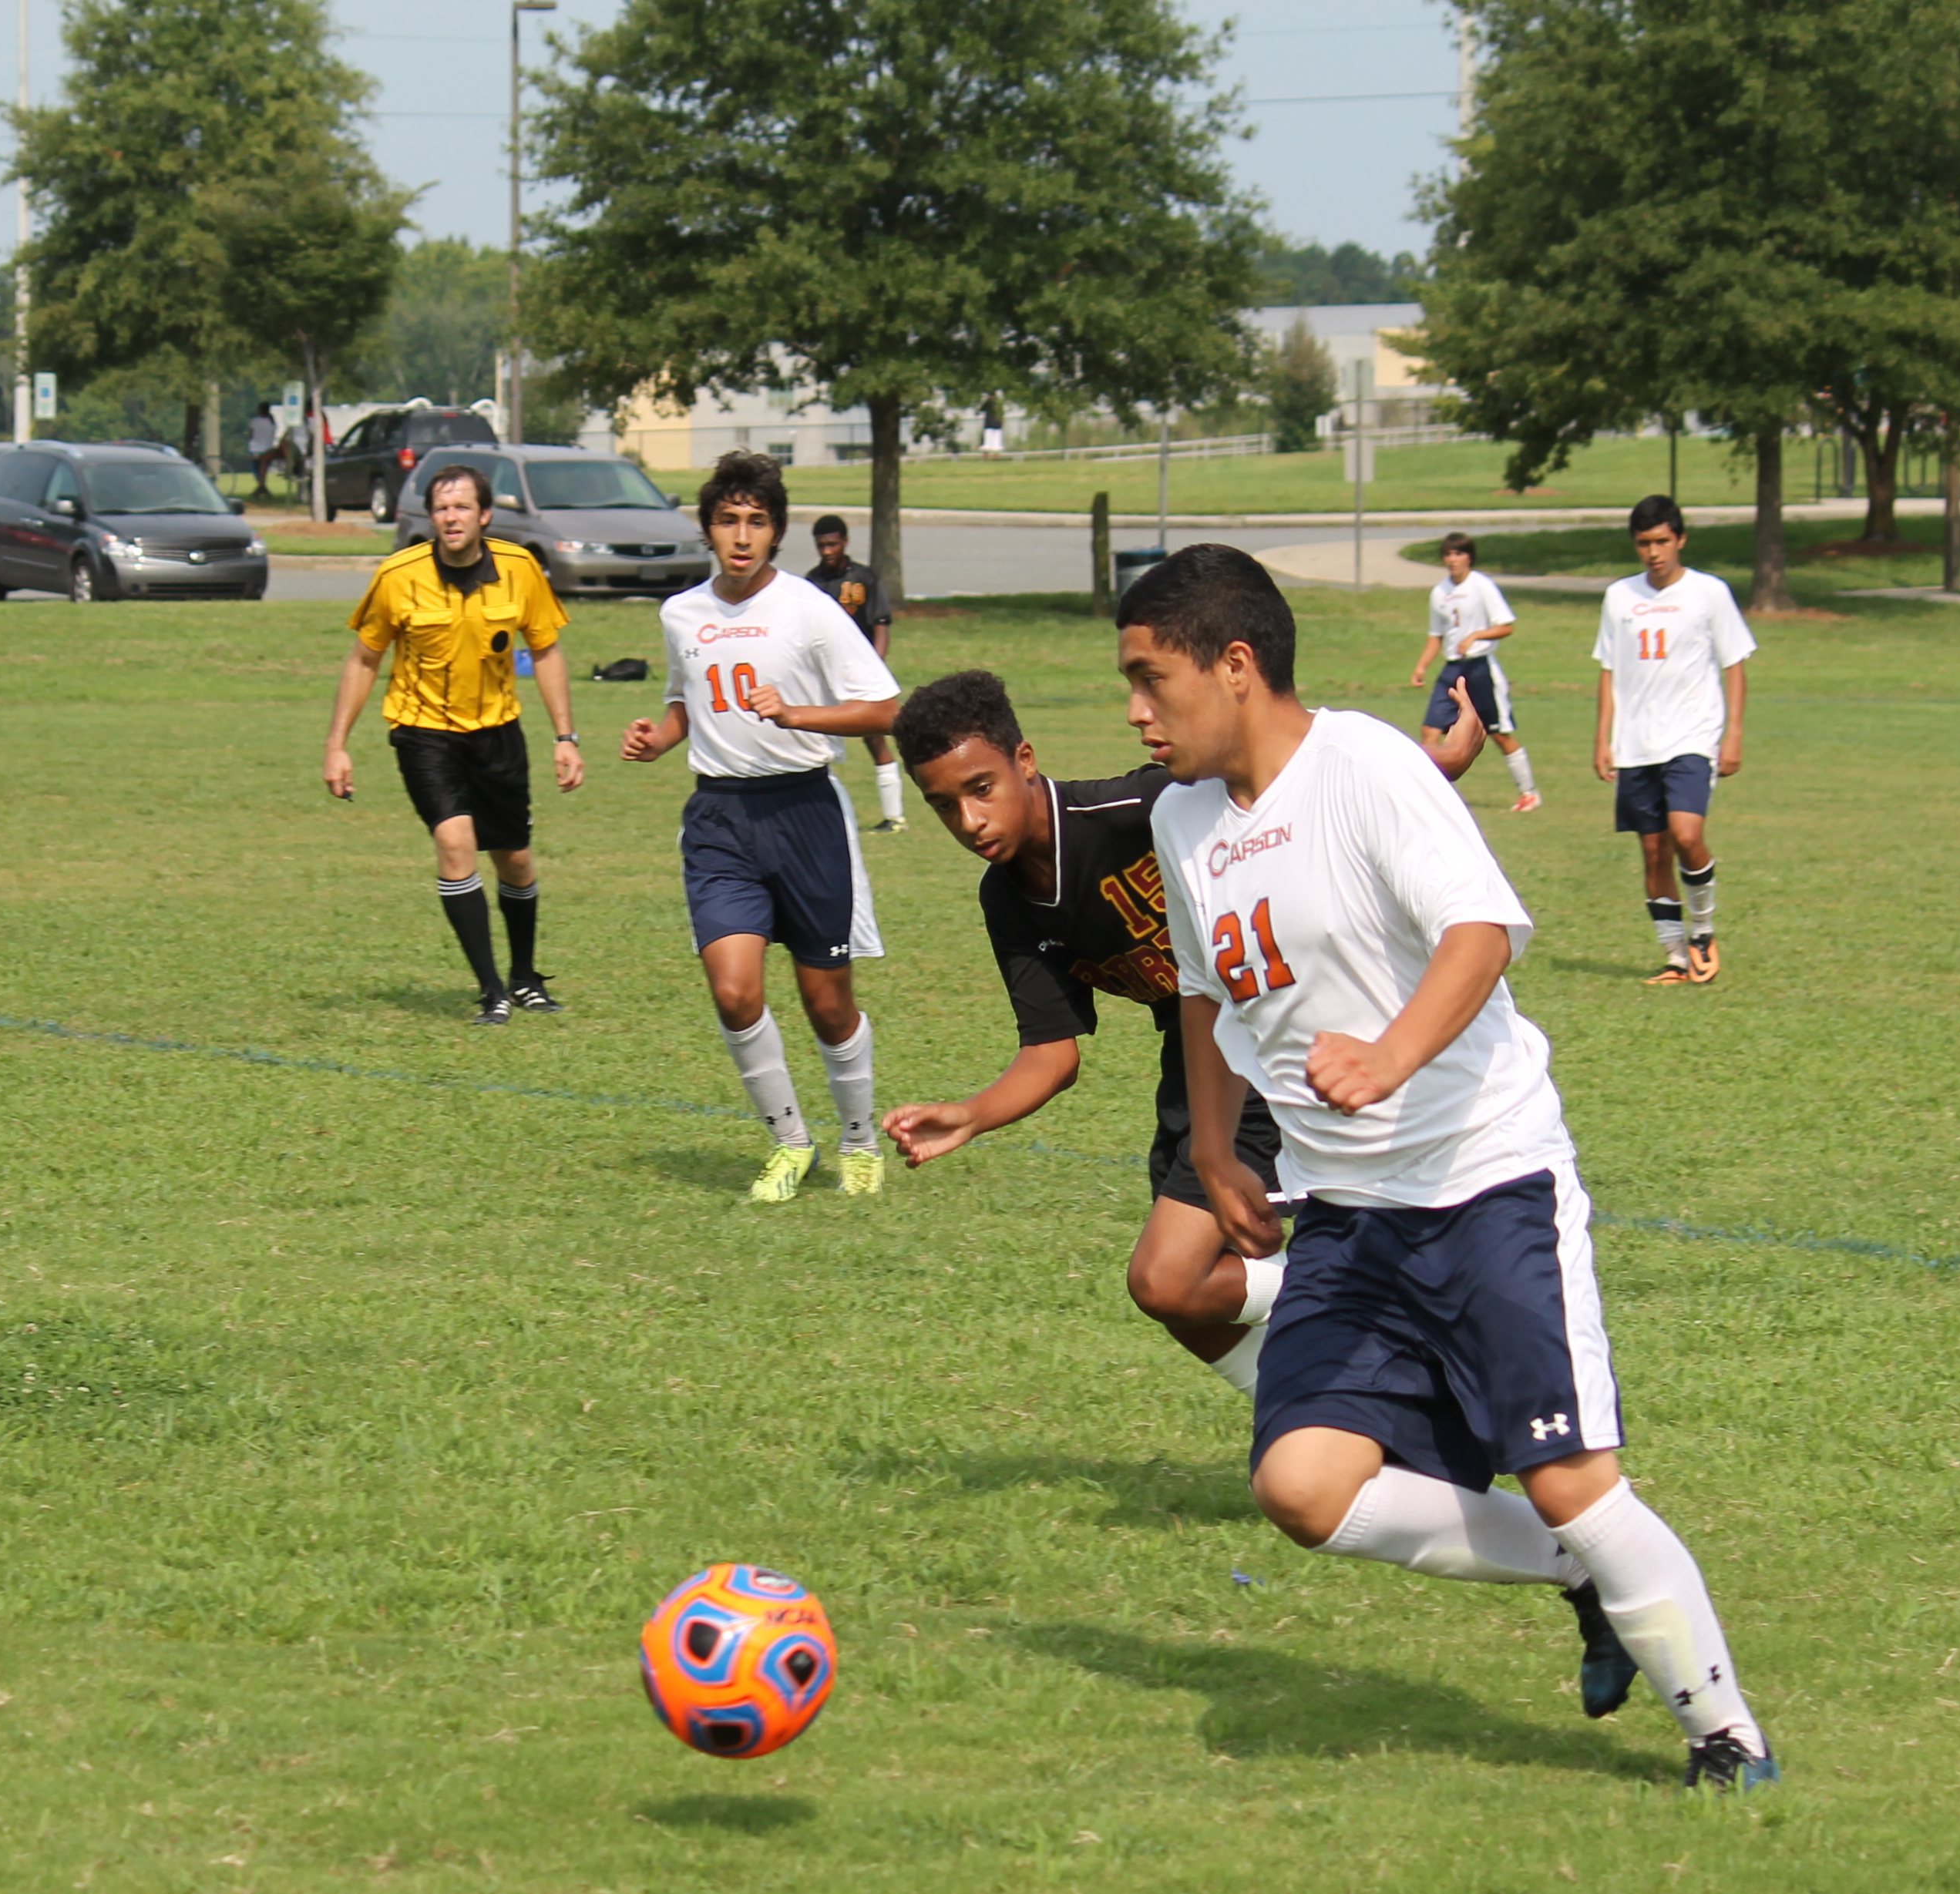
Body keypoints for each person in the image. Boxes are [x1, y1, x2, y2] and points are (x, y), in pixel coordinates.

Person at [1128, 542, 1774, 1791]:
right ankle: (1582, 1572)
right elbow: (1205, 996)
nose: (1137, 711)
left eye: (1152, 679)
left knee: (1570, 1476)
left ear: (1237, 665)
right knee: (1303, 1487)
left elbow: (1479, 931)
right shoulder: (1182, 818)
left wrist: (1387, 1054)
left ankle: (1721, 1733)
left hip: (1484, 1182)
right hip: (1346, 1216)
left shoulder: (1363, 765)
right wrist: (1211, 1147)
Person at [879, 669, 1290, 1396]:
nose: (969, 820)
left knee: (1169, 1278)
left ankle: (1364, 1302)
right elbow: (1051, 1053)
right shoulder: (1007, 900)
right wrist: (971, 1115)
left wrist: (1433, 768)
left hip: (1278, 1035)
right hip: (1197, 1063)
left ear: (1025, 761)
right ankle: (1324, 1415)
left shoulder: (1138, 808)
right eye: (943, 806)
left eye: (981, 789)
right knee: (1187, 1305)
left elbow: (1283, 781)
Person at [620, 451, 902, 1204]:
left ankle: (858, 1139)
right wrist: (662, 736)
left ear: (776, 533)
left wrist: (798, 714)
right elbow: (686, 701)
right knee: (736, 990)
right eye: (728, 520)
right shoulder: (682, 613)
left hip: (805, 813)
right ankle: (790, 1143)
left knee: (827, 1002)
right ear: (709, 528)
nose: (741, 535)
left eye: (757, 522)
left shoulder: (810, 609)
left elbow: (887, 708)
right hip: (720, 819)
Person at [322, 464, 582, 1022]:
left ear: (485, 515)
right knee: (457, 846)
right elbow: (365, 658)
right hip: (423, 734)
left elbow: (546, 651)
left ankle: (523, 977)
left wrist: (566, 737)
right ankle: (491, 991)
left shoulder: (519, 570)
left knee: (514, 859)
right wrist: (337, 744)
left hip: (498, 732)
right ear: (430, 517)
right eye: (442, 508)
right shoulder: (398, 575)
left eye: (463, 507)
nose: (451, 517)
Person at [1594, 495, 1754, 986]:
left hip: (1692, 736)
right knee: (1654, 852)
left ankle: (1702, 931)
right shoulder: (1619, 597)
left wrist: (1734, 734)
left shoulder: (1709, 593)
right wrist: (1602, 739)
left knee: (1687, 835)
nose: (1654, 552)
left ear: (1680, 540)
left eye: (1662, 541)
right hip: (1637, 742)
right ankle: (1674, 956)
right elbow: (1609, 670)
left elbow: (1735, 664)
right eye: (1644, 543)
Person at [1410, 532, 1541, 808]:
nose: (1452, 560)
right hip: (1452, 670)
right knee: (1430, 730)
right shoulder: (1440, 592)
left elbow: (1506, 626)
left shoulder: (1482, 586)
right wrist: (1422, 666)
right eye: (1448, 554)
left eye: (1458, 554)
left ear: (1469, 557)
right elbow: (1437, 635)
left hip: (1480, 669)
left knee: (1498, 733)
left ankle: (1529, 792)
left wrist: (1476, 636)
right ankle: (1435, 797)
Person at [804, 515, 906, 831]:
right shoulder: (812, 583)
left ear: (845, 542)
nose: (827, 550)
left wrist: (873, 667)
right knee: (812, 740)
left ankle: (895, 817)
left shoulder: (864, 578)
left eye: (833, 543)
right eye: (821, 545)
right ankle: (814, 814)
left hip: (857, 673)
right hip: (822, 674)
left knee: (875, 740)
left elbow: (881, 625)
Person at [247, 404, 279, 495]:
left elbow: (251, 435)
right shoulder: (272, 422)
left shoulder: (254, 421)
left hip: (255, 449)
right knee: (264, 469)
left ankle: (261, 486)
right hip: (268, 449)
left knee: (256, 468)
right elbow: (272, 435)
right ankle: (262, 486)